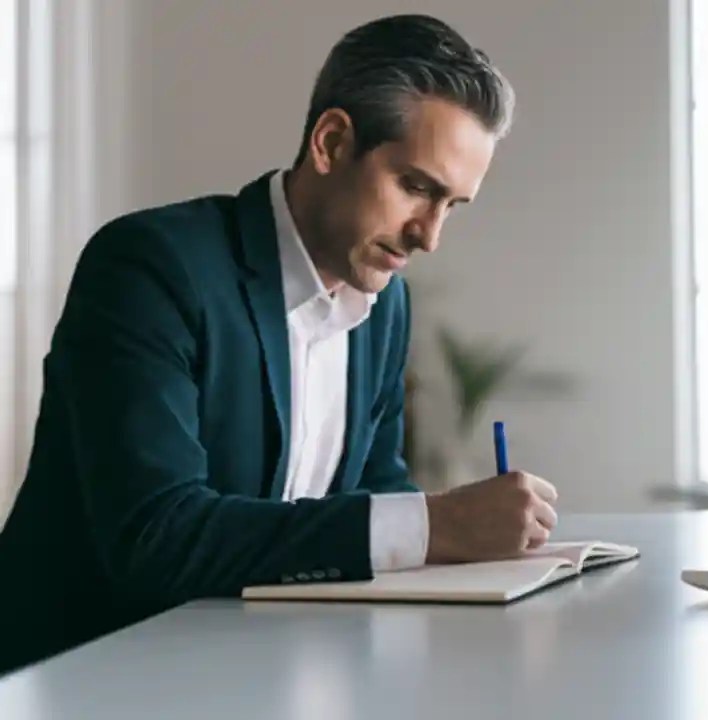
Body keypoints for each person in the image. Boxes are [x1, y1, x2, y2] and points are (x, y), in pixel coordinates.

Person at [0, 13, 558, 675]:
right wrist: (438, 527)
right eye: (415, 187)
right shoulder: (151, 267)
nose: (428, 236)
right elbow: (157, 536)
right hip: (81, 680)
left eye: (452, 206)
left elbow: (376, 495)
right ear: (330, 142)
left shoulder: (384, 305)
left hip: (259, 674)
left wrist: (463, 548)